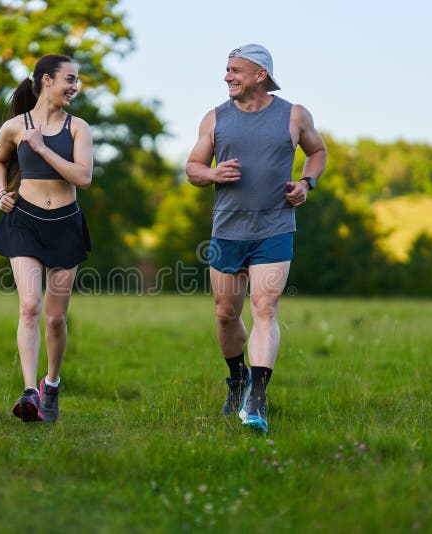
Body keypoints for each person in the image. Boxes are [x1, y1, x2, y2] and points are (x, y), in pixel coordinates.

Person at [185, 44, 327, 433]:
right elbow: (193, 167)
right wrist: (212, 175)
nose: (227, 76)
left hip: (275, 228)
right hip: (227, 230)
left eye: (235, 70)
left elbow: (318, 152)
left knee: (265, 308)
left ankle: (257, 399)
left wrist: (306, 182)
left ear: (260, 75)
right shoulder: (215, 118)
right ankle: (238, 381)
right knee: (226, 313)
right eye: (227, 70)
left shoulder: (294, 115)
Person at [0, 54, 93, 423]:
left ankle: (51, 383)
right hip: (25, 222)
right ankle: (29, 390)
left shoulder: (78, 127)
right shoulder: (15, 127)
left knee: (55, 319)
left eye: (76, 80)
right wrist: (1, 193)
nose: (74, 86)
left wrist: (41, 147)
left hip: (66, 224)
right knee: (30, 306)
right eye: (70, 79)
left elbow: (82, 178)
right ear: (46, 80)